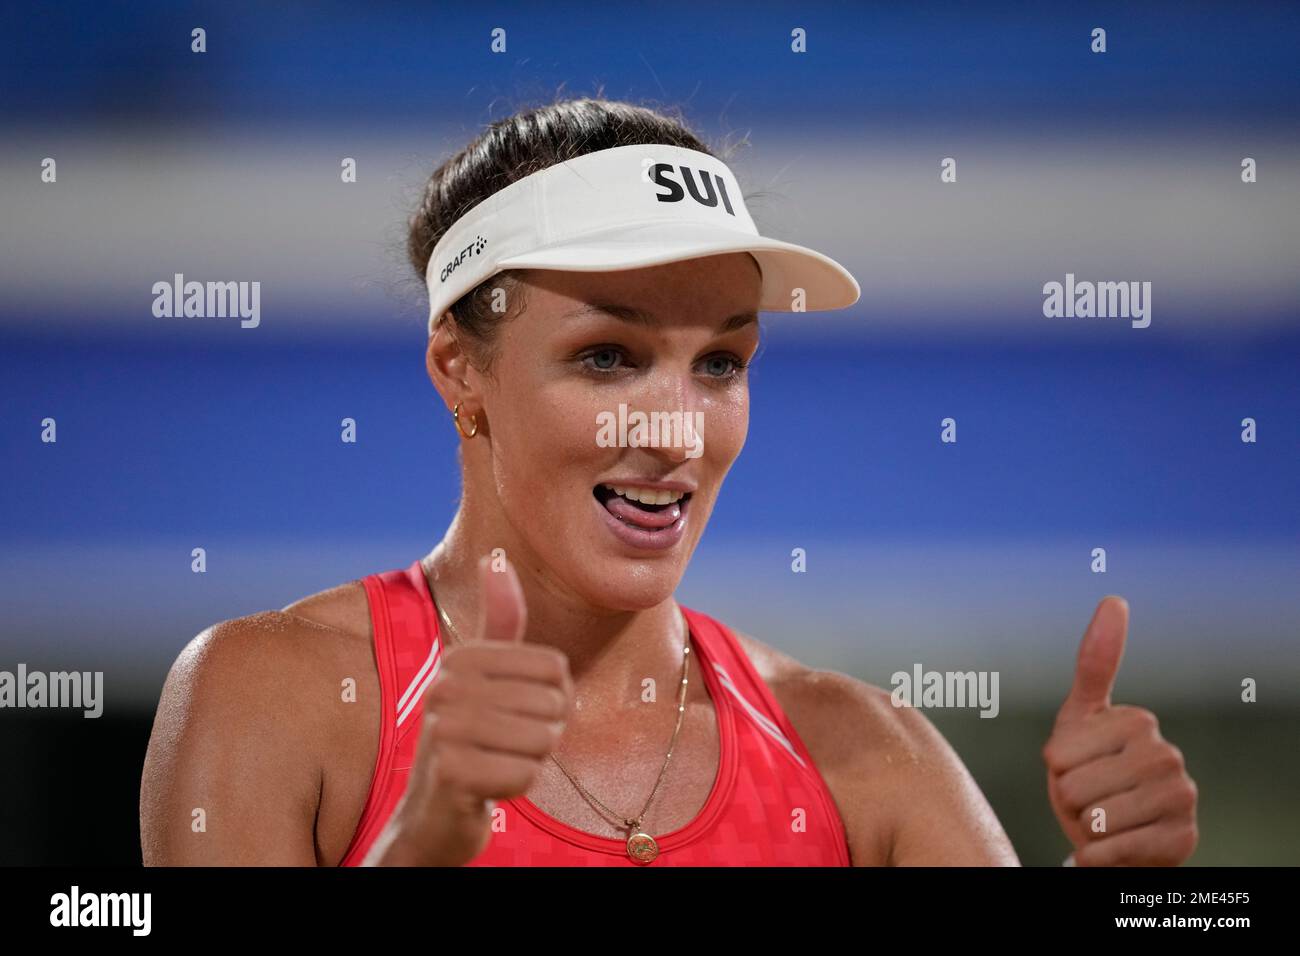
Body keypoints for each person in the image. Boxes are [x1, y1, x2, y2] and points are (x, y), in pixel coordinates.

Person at [139, 97, 1198, 866]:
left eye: (721, 363)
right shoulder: (270, 693)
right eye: (607, 356)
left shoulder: (862, 749)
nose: (674, 426)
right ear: (461, 367)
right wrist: (421, 842)